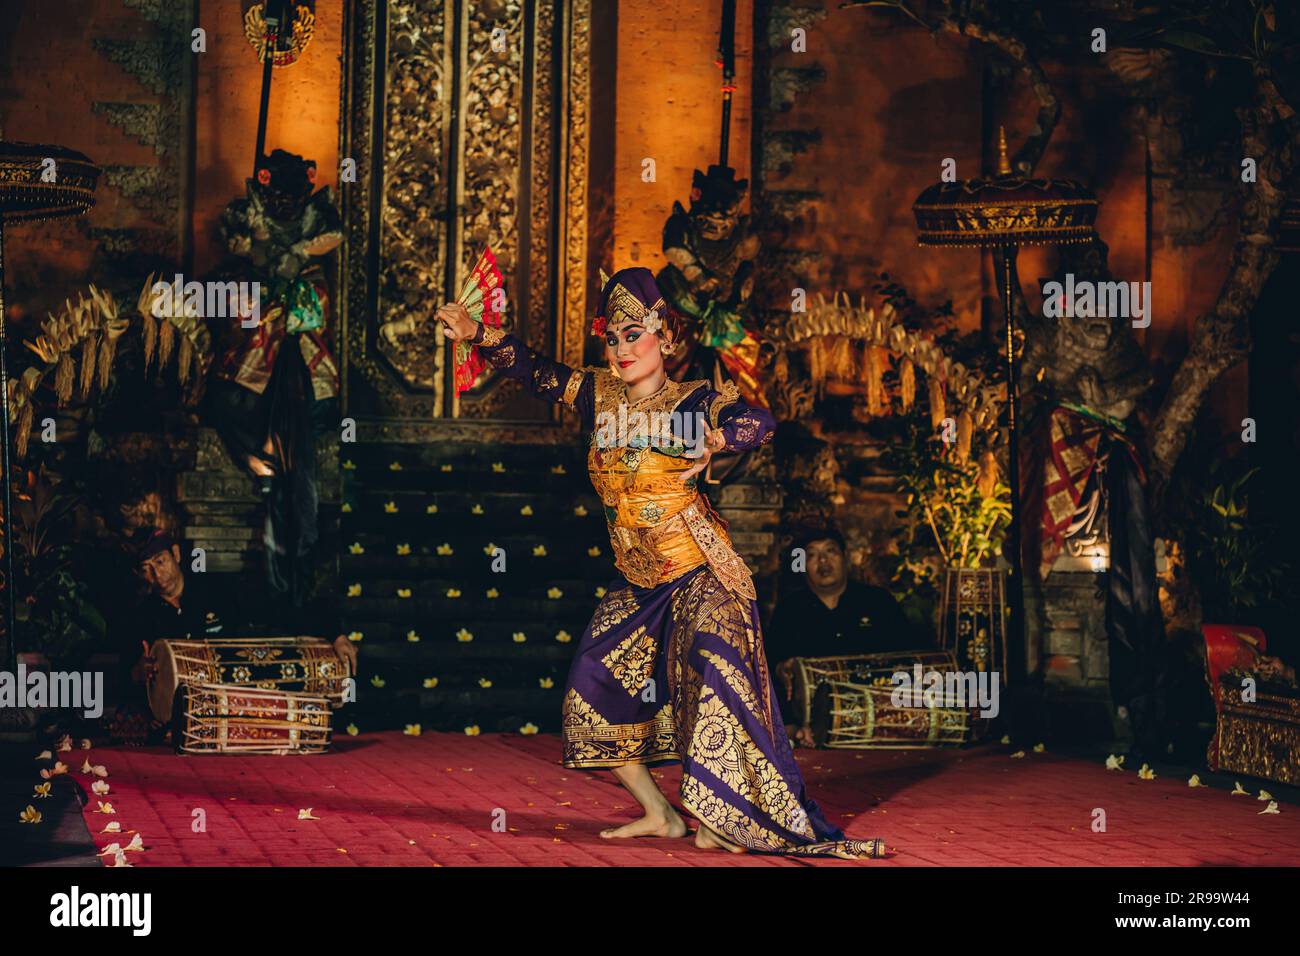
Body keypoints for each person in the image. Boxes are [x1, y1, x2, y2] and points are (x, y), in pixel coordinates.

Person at [436, 267, 884, 859]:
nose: (622, 349)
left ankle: (725, 816)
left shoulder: (693, 400)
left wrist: (719, 442)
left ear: (665, 338)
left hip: (702, 572)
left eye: (633, 335)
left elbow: (761, 422)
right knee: (589, 689)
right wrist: (477, 332)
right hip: (639, 580)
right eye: (613, 337)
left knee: (716, 685)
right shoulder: (600, 394)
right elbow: (538, 373)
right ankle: (661, 814)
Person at [129, 529, 357, 682]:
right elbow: (127, 673)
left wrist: (333, 633)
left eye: (160, 561)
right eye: (146, 569)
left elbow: (279, 610)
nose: (158, 575)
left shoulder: (217, 589)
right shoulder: (142, 616)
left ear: (176, 554)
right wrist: (139, 671)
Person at [766, 526, 914, 746]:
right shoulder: (789, 609)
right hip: (810, 731)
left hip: (878, 722)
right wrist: (782, 669)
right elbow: (768, 668)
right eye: (812, 555)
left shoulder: (879, 602)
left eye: (830, 552)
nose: (823, 562)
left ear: (845, 558)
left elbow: (909, 655)